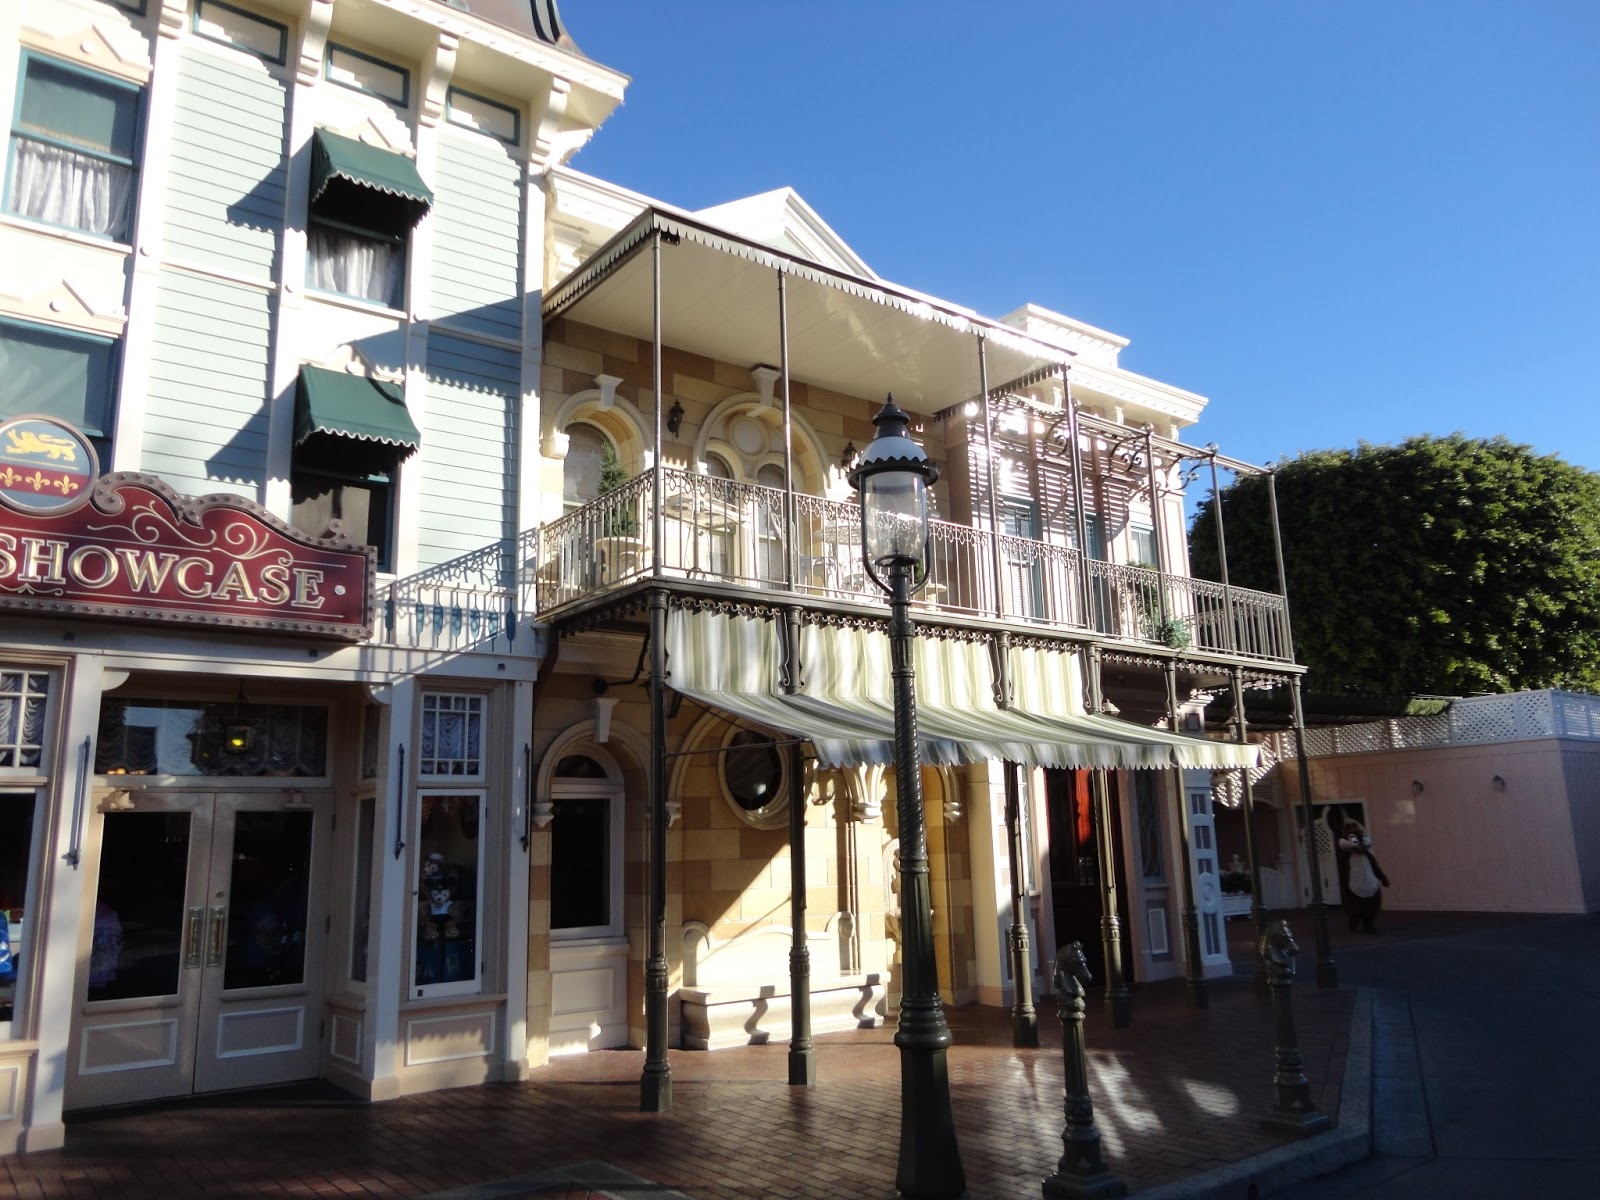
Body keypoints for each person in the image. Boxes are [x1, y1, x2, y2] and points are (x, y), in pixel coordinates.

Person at [1337, 820, 1390, 933]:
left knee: (1371, 908)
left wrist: (1383, 878)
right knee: (1356, 908)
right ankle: (1354, 924)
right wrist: (1344, 887)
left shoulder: (1367, 856)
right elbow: (1343, 872)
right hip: (1354, 886)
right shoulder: (1346, 857)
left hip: (1370, 885)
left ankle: (1368, 926)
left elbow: (1375, 868)